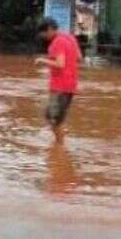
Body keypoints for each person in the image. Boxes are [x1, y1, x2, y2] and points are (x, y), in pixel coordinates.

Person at [35, 17, 82, 145]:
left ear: (50, 29)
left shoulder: (57, 42)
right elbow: (79, 57)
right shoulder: (70, 38)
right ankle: (60, 140)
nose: (44, 36)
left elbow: (60, 64)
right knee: (53, 116)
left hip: (60, 86)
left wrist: (42, 60)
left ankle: (60, 147)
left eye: (44, 33)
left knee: (53, 118)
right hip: (70, 84)